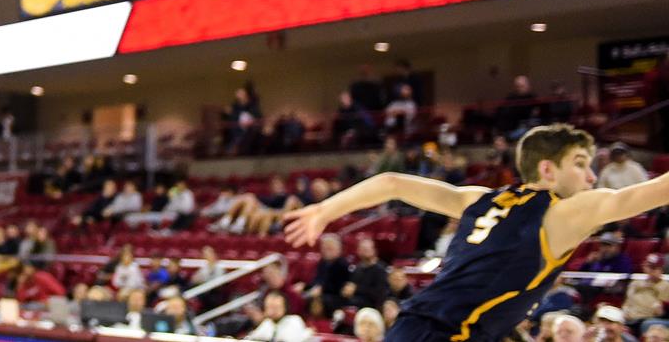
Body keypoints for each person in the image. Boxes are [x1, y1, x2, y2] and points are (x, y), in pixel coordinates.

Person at [286, 124, 669, 342]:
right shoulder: (566, 211)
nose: (590, 177)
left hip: (412, 325)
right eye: (581, 164)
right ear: (549, 172)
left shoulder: (481, 199)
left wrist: (326, 209)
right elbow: (648, 193)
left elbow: (390, 182)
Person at [246, 292, 313, 342]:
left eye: (276, 307)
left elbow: (293, 339)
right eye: (269, 307)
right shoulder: (267, 323)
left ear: (284, 308)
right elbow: (252, 338)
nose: (272, 311)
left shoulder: (294, 320)